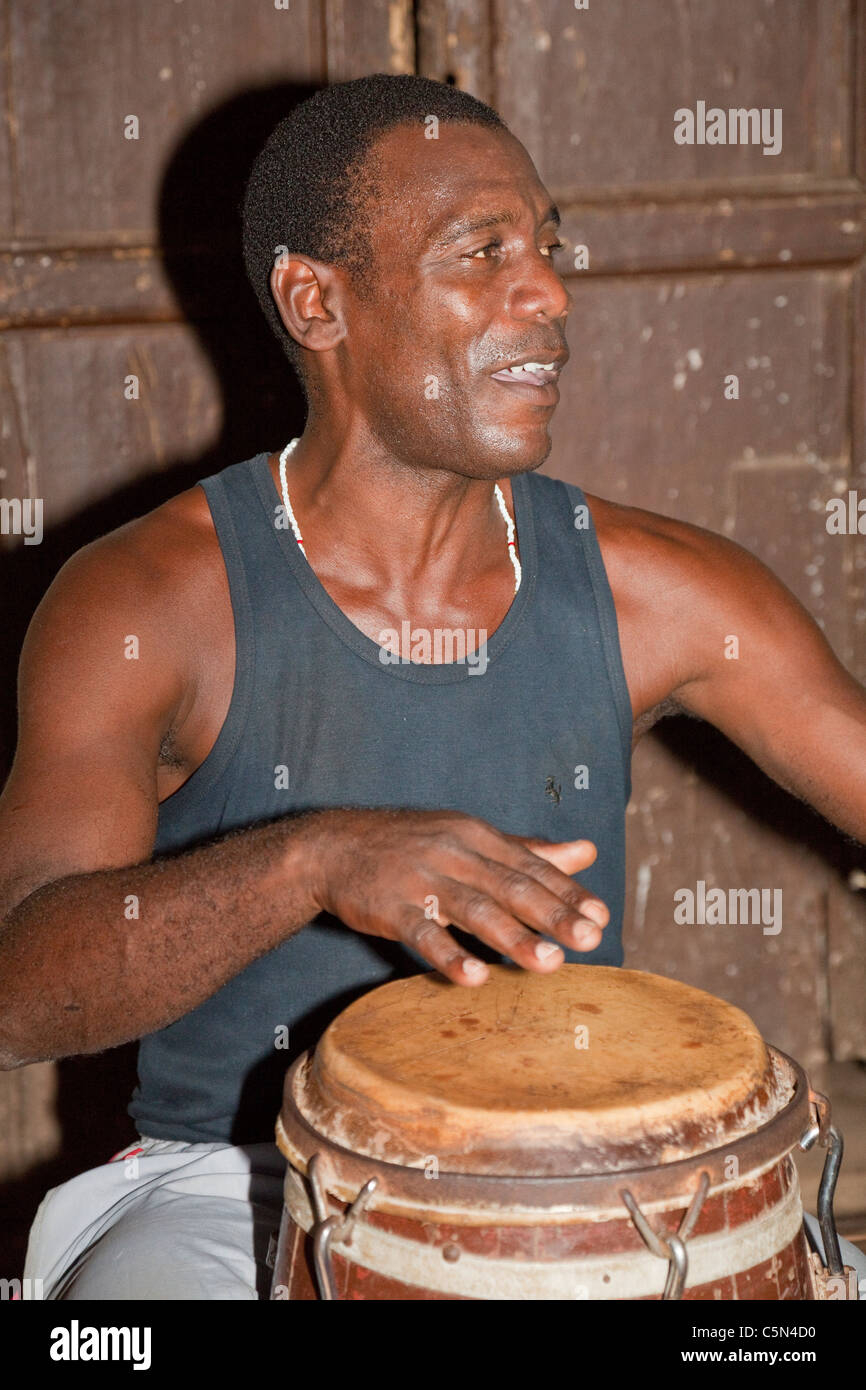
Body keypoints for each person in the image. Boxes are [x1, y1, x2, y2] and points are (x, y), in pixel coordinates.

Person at [3, 74, 864, 1300]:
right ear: (317, 300)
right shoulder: (147, 599)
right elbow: (20, 991)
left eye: (549, 248)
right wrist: (314, 860)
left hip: (577, 1184)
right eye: (484, 252)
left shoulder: (660, 590)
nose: (551, 295)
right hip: (229, 1187)